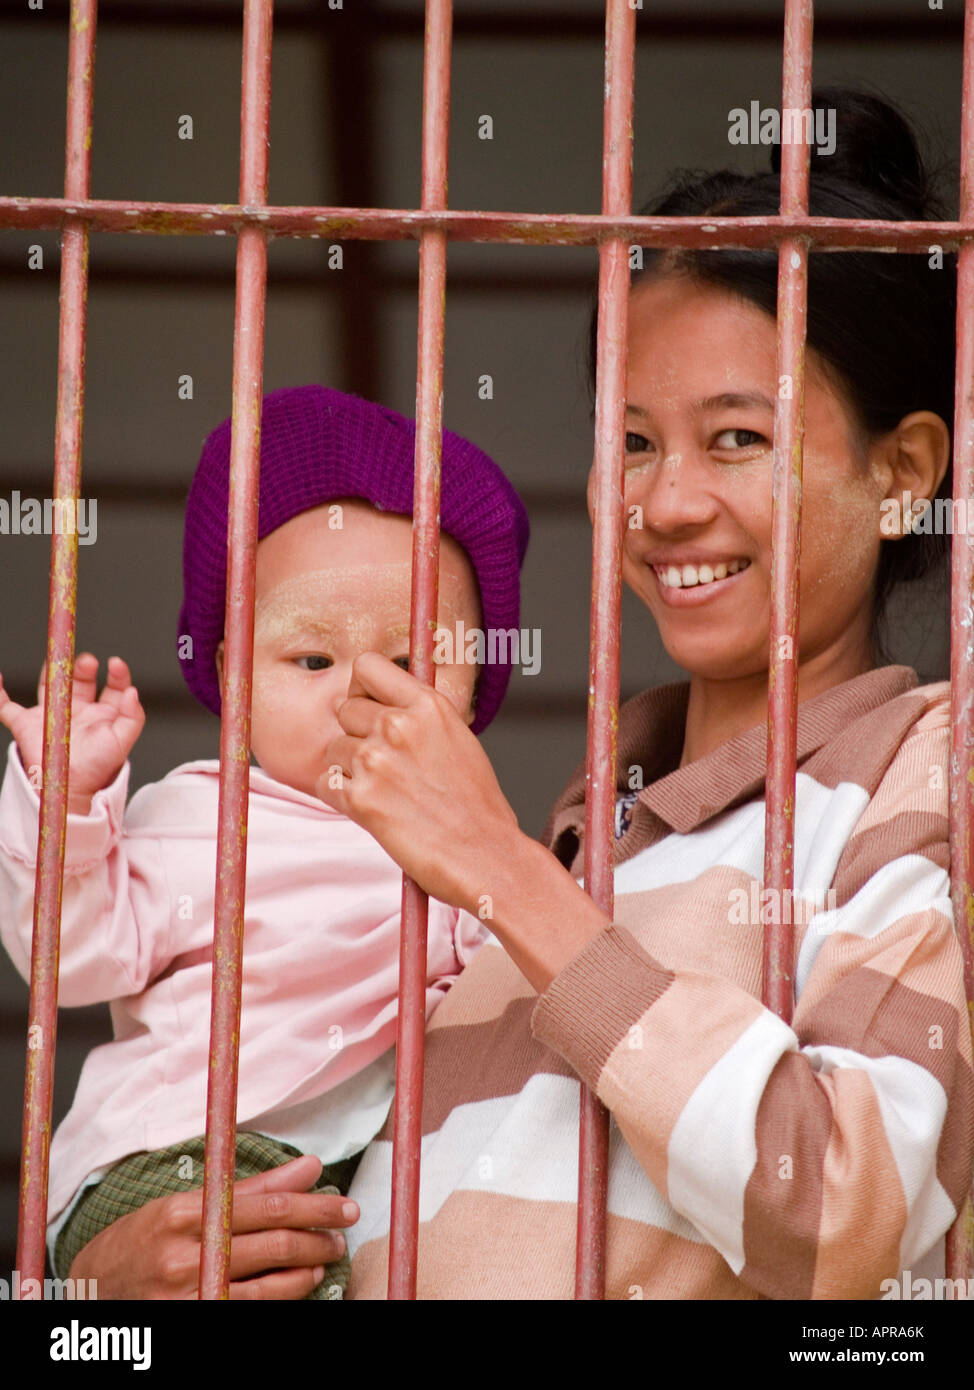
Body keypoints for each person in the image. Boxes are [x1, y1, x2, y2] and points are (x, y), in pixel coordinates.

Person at [66, 86, 974, 1300]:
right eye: (635, 442)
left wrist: (498, 872)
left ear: (904, 473)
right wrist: (98, 1290)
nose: (669, 502)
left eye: (738, 440)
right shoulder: (571, 827)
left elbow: (845, 1216)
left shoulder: (925, 770)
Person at [0, 383, 529, 1298]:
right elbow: (73, 959)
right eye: (310, 660)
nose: (356, 693)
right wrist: (68, 802)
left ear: (476, 680)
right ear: (227, 674)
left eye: (410, 661)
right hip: (175, 1158)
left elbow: (510, 992)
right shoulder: (201, 818)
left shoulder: (473, 838)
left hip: (343, 1172)